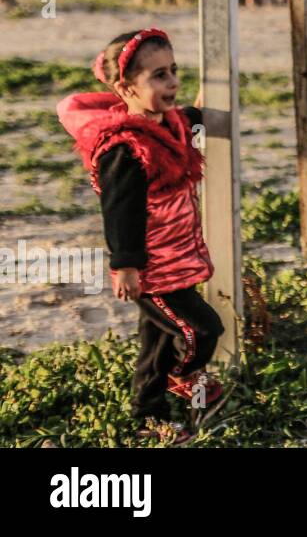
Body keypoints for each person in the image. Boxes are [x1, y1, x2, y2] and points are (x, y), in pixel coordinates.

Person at [57, 28, 224, 446]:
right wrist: (125, 265)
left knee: (158, 343)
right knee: (203, 329)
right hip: (151, 270)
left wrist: (220, 91)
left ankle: (147, 415)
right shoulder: (125, 148)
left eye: (173, 71)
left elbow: (194, 117)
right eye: (158, 76)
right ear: (125, 87)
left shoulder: (170, 123)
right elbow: (120, 211)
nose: (172, 83)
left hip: (178, 258)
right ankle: (184, 378)